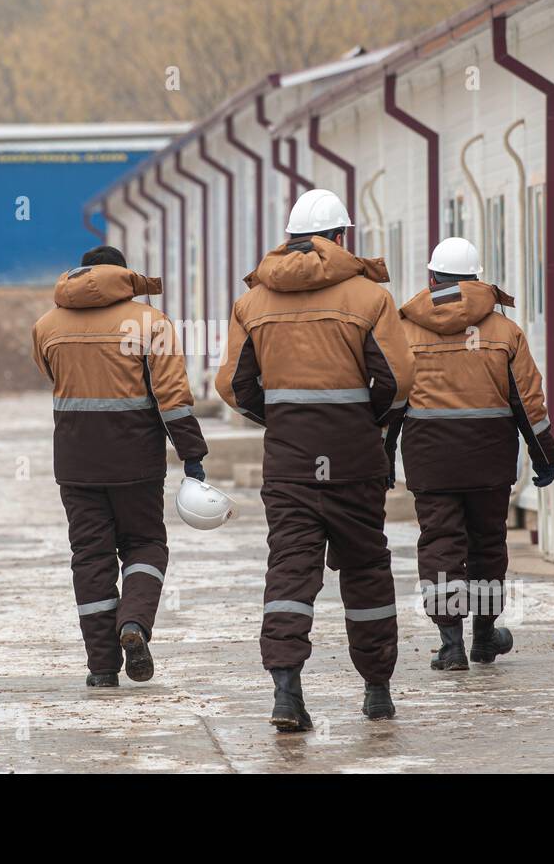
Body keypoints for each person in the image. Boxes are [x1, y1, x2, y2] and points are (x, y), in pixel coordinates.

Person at [215, 188, 415, 731]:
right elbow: (397, 383)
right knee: (367, 568)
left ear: (288, 240)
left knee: (290, 570)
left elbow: (233, 386)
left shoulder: (252, 301)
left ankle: (286, 695)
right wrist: (362, 419)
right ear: (341, 238)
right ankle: (376, 692)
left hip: (289, 463)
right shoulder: (369, 297)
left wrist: (282, 417)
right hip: (354, 461)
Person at [31, 245, 208, 688]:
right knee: (145, 544)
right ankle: (134, 624)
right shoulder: (153, 324)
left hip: (75, 464)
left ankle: (101, 668)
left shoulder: (46, 326)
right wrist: (192, 454)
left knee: (90, 558)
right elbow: (172, 397)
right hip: (137, 463)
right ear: (124, 275)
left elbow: (51, 375)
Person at [386, 236, 554, 670]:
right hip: (489, 459)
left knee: (441, 543)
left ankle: (451, 644)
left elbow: (391, 403)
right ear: (477, 279)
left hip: (430, 461)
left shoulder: (404, 330)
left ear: (432, 278)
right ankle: (484, 637)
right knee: (486, 544)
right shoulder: (504, 331)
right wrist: (544, 456)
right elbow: (527, 401)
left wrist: (382, 459)